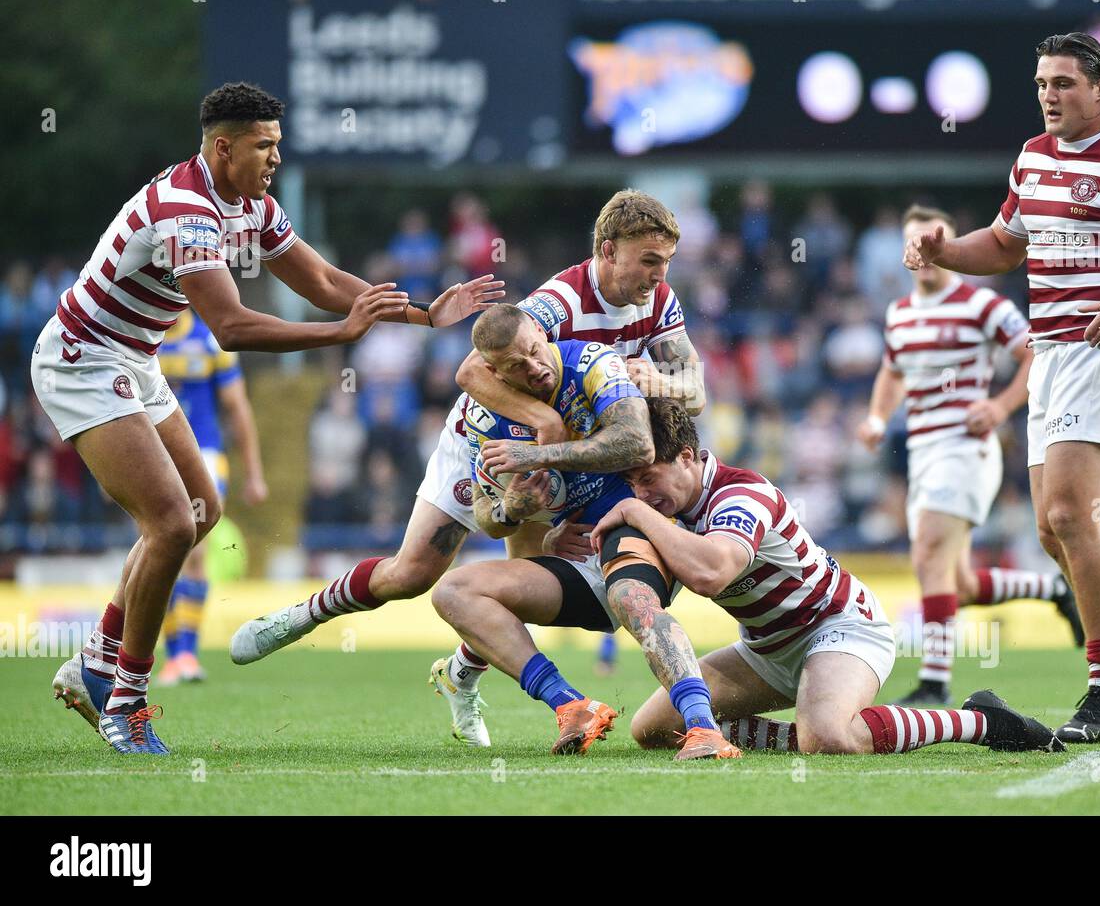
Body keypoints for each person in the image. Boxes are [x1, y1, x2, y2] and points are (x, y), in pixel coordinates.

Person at [37, 82, 501, 754]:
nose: (275, 157)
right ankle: (125, 700)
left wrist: (423, 312)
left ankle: (95, 662)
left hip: (131, 357)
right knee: (170, 522)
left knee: (201, 508)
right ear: (223, 148)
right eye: (264, 145)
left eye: (278, 144)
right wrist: (341, 335)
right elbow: (229, 326)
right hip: (81, 359)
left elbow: (321, 281)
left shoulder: (250, 205)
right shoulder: (187, 211)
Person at [230, 190, 707, 747]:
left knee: (524, 584)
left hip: (565, 452)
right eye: (650, 260)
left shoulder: (660, 301)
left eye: (666, 261)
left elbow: (693, 388)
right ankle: (302, 616)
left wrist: (653, 384)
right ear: (609, 250)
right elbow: (473, 371)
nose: (660, 273)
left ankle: (462, 675)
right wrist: (542, 427)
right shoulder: (559, 300)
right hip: (489, 437)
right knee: (411, 575)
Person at [903, 32, 1100, 743]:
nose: (1049, 95)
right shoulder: (1033, 156)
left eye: (1065, 83)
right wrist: (945, 248)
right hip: (1050, 356)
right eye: (1042, 83)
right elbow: (1005, 244)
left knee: (1075, 514)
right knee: (1052, 527)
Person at [595, 399, 1063, 756]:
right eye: (632, 484)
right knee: (653, 730)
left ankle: (981, 721)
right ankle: (806, 724)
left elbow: (713, 572)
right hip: (766, 648)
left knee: (830, 737)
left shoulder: (741, 493)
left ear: (686, 457)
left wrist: (636, 510)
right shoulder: (675, 510)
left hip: (839, 627)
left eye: (648, 478)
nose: (642, 493)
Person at [431, 307, 738, 759]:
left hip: (637, 523)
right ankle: (571, 705)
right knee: (452, 592)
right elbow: (486, 516)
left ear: (541, 330)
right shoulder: (483, 421)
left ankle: (703, 728)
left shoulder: (593, 363)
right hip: (575, 552)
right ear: (492, 371)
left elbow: (637, 443)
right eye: (516, 365)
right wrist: (514, 508)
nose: (534, 368)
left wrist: (541, 454)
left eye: (534, 351)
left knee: (630, 595)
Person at [858, 204, 1083, 708]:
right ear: (907, 252)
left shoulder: (980, 303)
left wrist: (1001, 405)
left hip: (965, 449)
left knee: (927, 557)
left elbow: (1035, 350)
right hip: (922, 451)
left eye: (940, 240)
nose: (931, 250)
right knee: (952, 582)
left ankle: (935, 681)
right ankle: (1052, 589)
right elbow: (892, 372)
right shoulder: (900, 313)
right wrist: (877, 417)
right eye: (920, 241)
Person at [156, 309, 268, 684]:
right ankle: (174, 657)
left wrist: (253, 473)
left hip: (205, 453)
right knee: (164, 551)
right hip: (154, 453)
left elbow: (238, 408)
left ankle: (186, 653)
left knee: (195, 547)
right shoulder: (142, 338)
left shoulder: (209, 340)